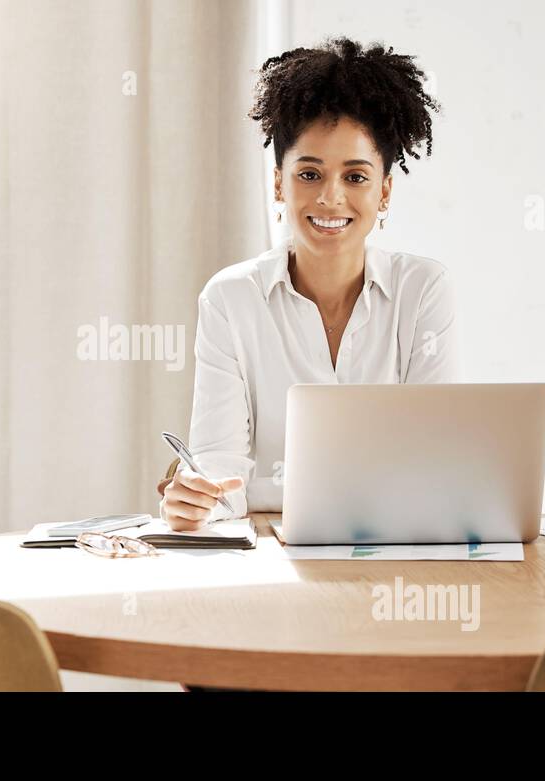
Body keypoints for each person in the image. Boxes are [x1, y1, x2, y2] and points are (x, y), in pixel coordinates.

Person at [159, 36, 459, 532]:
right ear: (279, 183)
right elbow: (219, 465)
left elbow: (435, 457)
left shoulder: (422, 290)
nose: (331, 197)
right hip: (275, 553)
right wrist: (197, 498)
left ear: (385, 190)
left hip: (394, 550)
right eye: (310, 173)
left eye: (356, 176)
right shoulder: (230, 299)